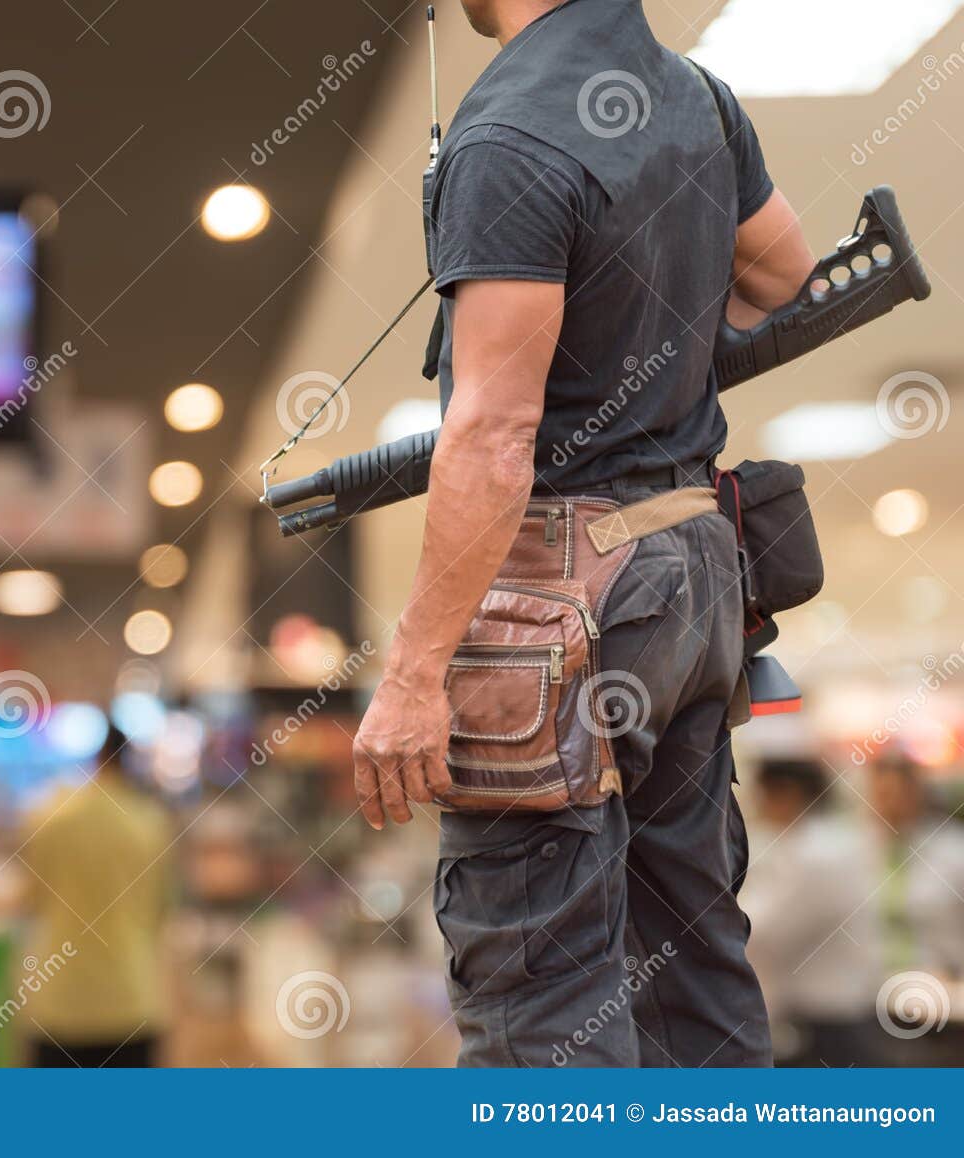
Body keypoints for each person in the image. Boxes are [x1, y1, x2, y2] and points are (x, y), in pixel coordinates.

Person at [351, 0, 817, 1066]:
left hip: (566, 604)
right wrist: (649, 361)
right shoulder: (696, 97)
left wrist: (417, 671)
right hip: (695, 570)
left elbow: (492, 431)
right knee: (688, 976)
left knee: (541, 1009)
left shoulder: (507, 132)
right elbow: (782, 276)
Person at [18, 722, 173, 1066]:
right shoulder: (152, 824)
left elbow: (31, 899)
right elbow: (163, 910)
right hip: (131, 1000)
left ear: (96, 759)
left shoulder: (49, 819)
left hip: (60, 1001)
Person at [741, 759, 882, 1066]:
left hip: (826, 1018)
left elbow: (763, 930)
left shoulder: (818, 853)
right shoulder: (833, 841)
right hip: (832, 1011)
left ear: (786, 793)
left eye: (762, 795)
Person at [864, 758, 964, 1065]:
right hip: (870, 992)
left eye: (898, 793)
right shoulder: (853, 851)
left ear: (918, 793)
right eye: (881, 794)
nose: (890, 804)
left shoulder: (953, 851)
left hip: (945, 991)